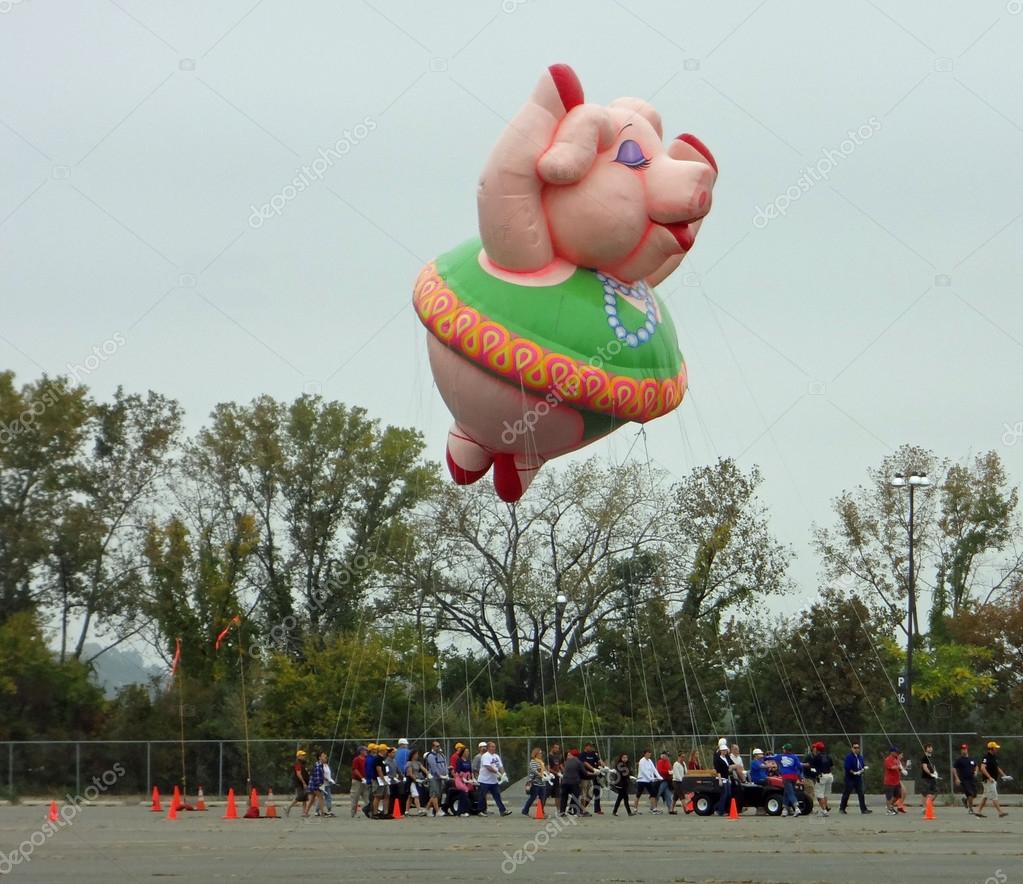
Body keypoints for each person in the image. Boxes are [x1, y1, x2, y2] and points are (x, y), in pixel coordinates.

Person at [976, 741, 1010, 819]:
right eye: (995, 748)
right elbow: (982, 768)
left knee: (985, 796)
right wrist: (989, 777)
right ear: (991, 749)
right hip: (988, 781)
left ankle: (978, 812)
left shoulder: (994, 757)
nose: (997, 749)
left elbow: (997, 768)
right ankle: (1000, 812)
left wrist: (1004, 775)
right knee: (994, 796)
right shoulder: (986, 757)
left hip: (992, 780)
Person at [478, 740, 513, 816]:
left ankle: (502, 811)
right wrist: (499, 774)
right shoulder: (485, 756)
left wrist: (504, 774)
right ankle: (480, 811)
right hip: (484, 780)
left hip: (493, 781)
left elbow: (500, 766)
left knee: (497, 795)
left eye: (494, 747)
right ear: (488, 748)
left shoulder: (496, 756)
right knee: (482, 795)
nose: (494, 748)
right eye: (492, 746)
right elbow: (488, 767)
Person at [769, 743, 803, 817]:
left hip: (786, 776)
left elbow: (770, 757)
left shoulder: (780, 756)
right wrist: (800, 776)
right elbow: (800, 767)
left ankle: (796, 808)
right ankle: (784, 809)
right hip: (794, 777)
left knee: (790, 792)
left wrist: (764, 757)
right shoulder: (794, 757)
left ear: (785, 750)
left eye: (783, 749)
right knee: (786, 792)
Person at [839, 740, 871, 814]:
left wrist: (863, 769)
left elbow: (862, 765)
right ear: (852, 748)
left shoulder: (860, 757)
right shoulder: (849, 757)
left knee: (861, 793)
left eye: (858, 748)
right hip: (850, 778)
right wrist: (854, 772)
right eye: (855, 748)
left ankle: (863, 809)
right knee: (847, 793)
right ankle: (842, 808)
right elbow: (847, 767)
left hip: (858, 778)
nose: (856, 749)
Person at [808, 741, 834, 816]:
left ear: (817, 749)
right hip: (830, 775)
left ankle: (824, 811)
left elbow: (812, 767)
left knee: (819, 795)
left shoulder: (816, 757)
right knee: (825, 794)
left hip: (822, 776)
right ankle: (825, 809)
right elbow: (831, 766)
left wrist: (815, 773)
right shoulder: (828, 756)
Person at [560, 748, 588, 816]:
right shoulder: (578, 762)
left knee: (564, 797)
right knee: (575, 797)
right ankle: (576, 812)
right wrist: (593, 773)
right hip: (574, 782)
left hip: (564, 782)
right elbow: (584, 772)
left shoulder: (566, 761)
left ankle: (562, 812)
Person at [952, 743, 978, 814]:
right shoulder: (959, 760)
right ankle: (971, 809)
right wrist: (957, 778)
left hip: (972, 779)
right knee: (970, 794)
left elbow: (976, 766)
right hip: (964, 780)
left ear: (967, 750)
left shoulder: (971, 759)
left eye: (965, 749)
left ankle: (965, 800)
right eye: (962, 749)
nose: (964, 750)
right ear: (961, 751)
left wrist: (976, 771)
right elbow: (954, 769)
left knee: (974, 794)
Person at [424, 739, 448, 817]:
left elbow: (445, 764)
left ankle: (427, 809)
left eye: (439, 746)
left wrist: (446, 774)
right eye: (437, 746)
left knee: (437, 795)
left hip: (441, 777)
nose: (438, 747)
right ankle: (437, 811)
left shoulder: (441, 755)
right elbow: (434, 768)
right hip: (434, 777)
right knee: (434, 794)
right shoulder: (431, 756)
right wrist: (440, 775)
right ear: (433, 747)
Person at [522, 747, 548, 816]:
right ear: (535, 754)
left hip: (542, 783)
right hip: (535, 783)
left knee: (542, 798)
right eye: (540, 753)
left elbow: (544, 770)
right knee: (533, 797)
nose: (541, 754)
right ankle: (525, 810)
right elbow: (535, 771)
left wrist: (548, 775)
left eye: (541, 753)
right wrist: (541, 775)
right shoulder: (533, 762)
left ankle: (541, 811)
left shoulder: (541, 762)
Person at [637, 748, 663, 814]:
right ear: (645, 754)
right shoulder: (641, 761)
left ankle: (654, 809)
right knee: (638, 795)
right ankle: (635, 809)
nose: (649, 754)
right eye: (648, 753)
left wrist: (659, 777)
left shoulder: (650, 761)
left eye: (650, 753)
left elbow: (654, 769)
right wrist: (650, 778)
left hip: (649, 781)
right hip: (642, 780)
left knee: (653, 793)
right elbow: (643, 771)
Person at [451, 746, 474, 816]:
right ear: (463, 753)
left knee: (466, 793)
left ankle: (460, 811)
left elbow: (470, 771)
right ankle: (464, 811)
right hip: (460, 779)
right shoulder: (459, 760)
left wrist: (472, 778)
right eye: (466, 752)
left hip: (467, 779)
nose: (467, 753)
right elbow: (458, 771)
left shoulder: (468, 761)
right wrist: (463, 779)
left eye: (468, 752)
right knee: (465, 791)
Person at [285, 749, 309, 817]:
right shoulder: (297, 764)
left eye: (304, 755)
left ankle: (304, 813)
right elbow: (298, 774)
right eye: (302, 755)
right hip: (299, 783)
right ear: (298, 756)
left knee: (305, 797)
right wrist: (304, 783)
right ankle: (288, 807)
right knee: (299, 796)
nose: (304, 756)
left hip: (304, 783)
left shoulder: (303, 764)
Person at [305, 751, 327, 818]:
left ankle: (306, 813)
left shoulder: (320, 765)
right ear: (319, 758)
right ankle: (322, 813)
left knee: (312, 799)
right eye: (323, 756)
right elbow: (317, 777)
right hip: (315, 785)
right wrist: (320, 785)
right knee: (321, 798)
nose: (325, 757)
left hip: (314, 784)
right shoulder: (318, 766)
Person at [579, 742, 601, 812]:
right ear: (586, 747)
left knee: (590, 795)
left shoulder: (593, 754)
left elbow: (599, 761)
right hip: (584, 777)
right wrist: (593, 769)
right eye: (590, 747)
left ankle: (581, 808)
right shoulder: (582, 754)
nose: (591, 748)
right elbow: (585, 763)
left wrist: (604, 766)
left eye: (592, 747)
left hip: (591, 777)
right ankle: (582, 810)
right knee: (584, 794)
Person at [883, 746, 905, 816]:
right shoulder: (888, 759)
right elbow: (891, 767)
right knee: (889, 796)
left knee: (898, 795)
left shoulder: (897, 759)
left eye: (897, 752)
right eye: (895, 752)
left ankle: (890, 806)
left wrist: (903, 769)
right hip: (889, 781)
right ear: (892, 752)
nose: (897, 753)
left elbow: (899, 768)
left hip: (896, 781)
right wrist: (898, 766)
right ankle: (889, 810)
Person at [918, 743, 939, 813]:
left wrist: (935, 772)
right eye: (928, 747)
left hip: (932, 778)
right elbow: (924, 767)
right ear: (926, 749)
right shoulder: (924, 757)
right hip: (925, 778)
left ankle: (928, 804)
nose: (930, 748)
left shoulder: (932, 757)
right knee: (925, 793)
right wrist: (930, 773)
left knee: (935, 792)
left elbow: (933, 766)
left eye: (931, 747)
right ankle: (924, 808)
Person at [351, 745, 370, 818]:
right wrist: (362, 778)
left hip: (365, 781)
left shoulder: (366, 759)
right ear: (361, 751)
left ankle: (369, 811)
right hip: (357, 781)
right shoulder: (356, 759)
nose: (366, 752)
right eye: (365, 750)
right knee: (355, 797)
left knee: (367, 797)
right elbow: (355, 770)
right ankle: (353, 813)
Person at [405, 748, 426, 816]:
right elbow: (410, 774)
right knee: (416, 795)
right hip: (411, 781)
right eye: (416, 754)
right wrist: (416, 780)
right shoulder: (409, 763)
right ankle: (419, 810)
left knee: (410, 796)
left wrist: (428, 774)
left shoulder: (418, 763)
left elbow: (424, 769)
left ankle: (407, 811)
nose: (417, 755)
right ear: (413, 755)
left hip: (416, 780)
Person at [394, 738, 410, 813]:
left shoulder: (395, 752)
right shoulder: (408, 752)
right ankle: (403, 809)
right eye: (406, 744)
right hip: (405, 774)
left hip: (396, 774)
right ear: (403, 744)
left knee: (397, 792)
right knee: (405, 792)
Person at [547, 743, 564, 810]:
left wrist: (561, 771)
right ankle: (541, 810)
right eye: (556, 748)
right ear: (552, 748)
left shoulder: (557, 756)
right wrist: (556, 773)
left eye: (558, 748)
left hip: (557, 779)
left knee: (558, 794)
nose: (557, 749)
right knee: (546, 794)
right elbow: (547, 768)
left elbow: (559, 765)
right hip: (550, 779)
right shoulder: (549, 756)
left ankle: (559, 810)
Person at [320, 752, 337, 817]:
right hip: (322, 784)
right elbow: (322, 775)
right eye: (324, 757)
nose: (326, 758)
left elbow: (328, 775)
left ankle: (329, 810)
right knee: (321, 798)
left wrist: (331, 780)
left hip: (327, 784)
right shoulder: (320, 765)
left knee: (328, 798)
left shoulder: (326, 765)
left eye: (326, 757)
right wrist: (328, 779)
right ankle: (317, 811)